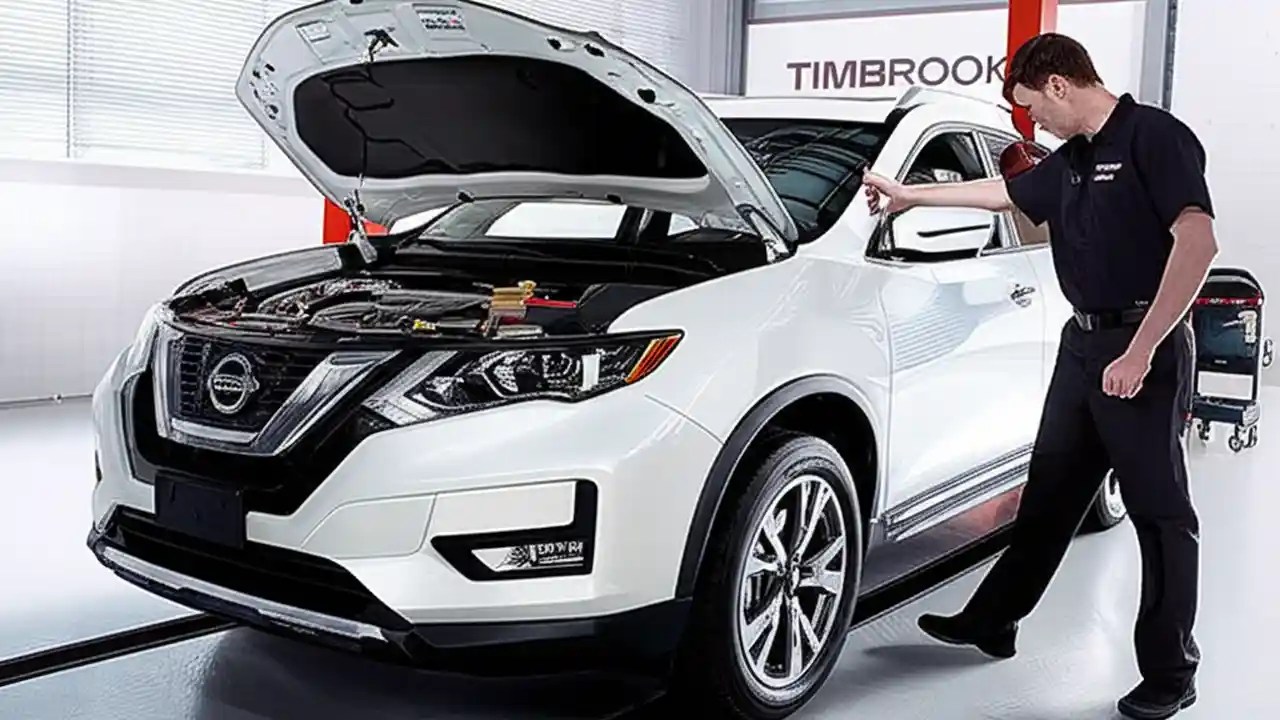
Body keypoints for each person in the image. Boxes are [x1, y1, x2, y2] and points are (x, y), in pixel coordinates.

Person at [861, 34, 1218, 720]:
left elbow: (1197, 242)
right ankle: (993, 620)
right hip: (1082, 347)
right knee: (1050, 496)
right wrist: (909, 196)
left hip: (1141, 345)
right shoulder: (1073, 158)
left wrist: (1141, 350)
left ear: (1058, 83)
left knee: (1161, 517)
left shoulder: (1155, 137)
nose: (1033, 123)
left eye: (1033, 108)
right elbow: (1004, 193)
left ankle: (1172, 672)